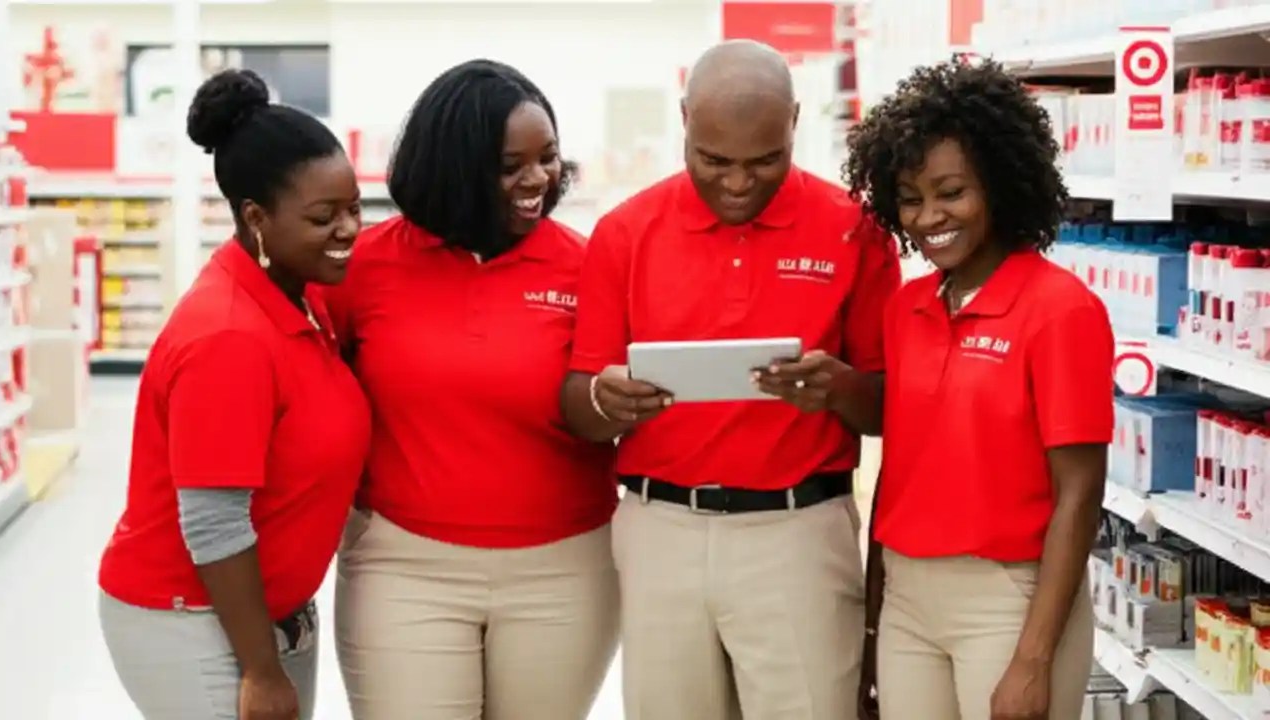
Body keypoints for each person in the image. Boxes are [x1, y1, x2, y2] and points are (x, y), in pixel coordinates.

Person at [561, 39, 900, 720]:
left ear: (795, 123)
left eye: (765, 161)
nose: (738, 183)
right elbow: (578, 405)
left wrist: (836, 387)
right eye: (714, 161)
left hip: (799, 531)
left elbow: (888, 407)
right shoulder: (626, 232)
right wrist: (608, 398)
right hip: (659, 530)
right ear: (684, 120)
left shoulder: (853, 230)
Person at [325, 59, 619, 720]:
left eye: (548, 158)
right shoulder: (362, 268)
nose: (537, 179)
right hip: (403, 568)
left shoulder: (588, 265)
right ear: (453, 168)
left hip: (566, 572)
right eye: (511, 165)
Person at [97, 68, 370, 720]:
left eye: (355, 206)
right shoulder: (228, 335)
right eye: (324, 217)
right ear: (255, 217)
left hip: (263, 619)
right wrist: (260, 667)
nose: (350, 229)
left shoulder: (298, 297)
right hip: (189, 622)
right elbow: (214, 520)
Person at [844, 57, 1111, 720]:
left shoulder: (1060, 309)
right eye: (911, 197)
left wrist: (1033, 659)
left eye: (951, 191)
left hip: (1011, 600)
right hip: (907, 600)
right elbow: (896, 474)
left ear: (998, 183)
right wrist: (873, 627)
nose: (930, 215)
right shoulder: (905, 308)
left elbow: (1080, 493)